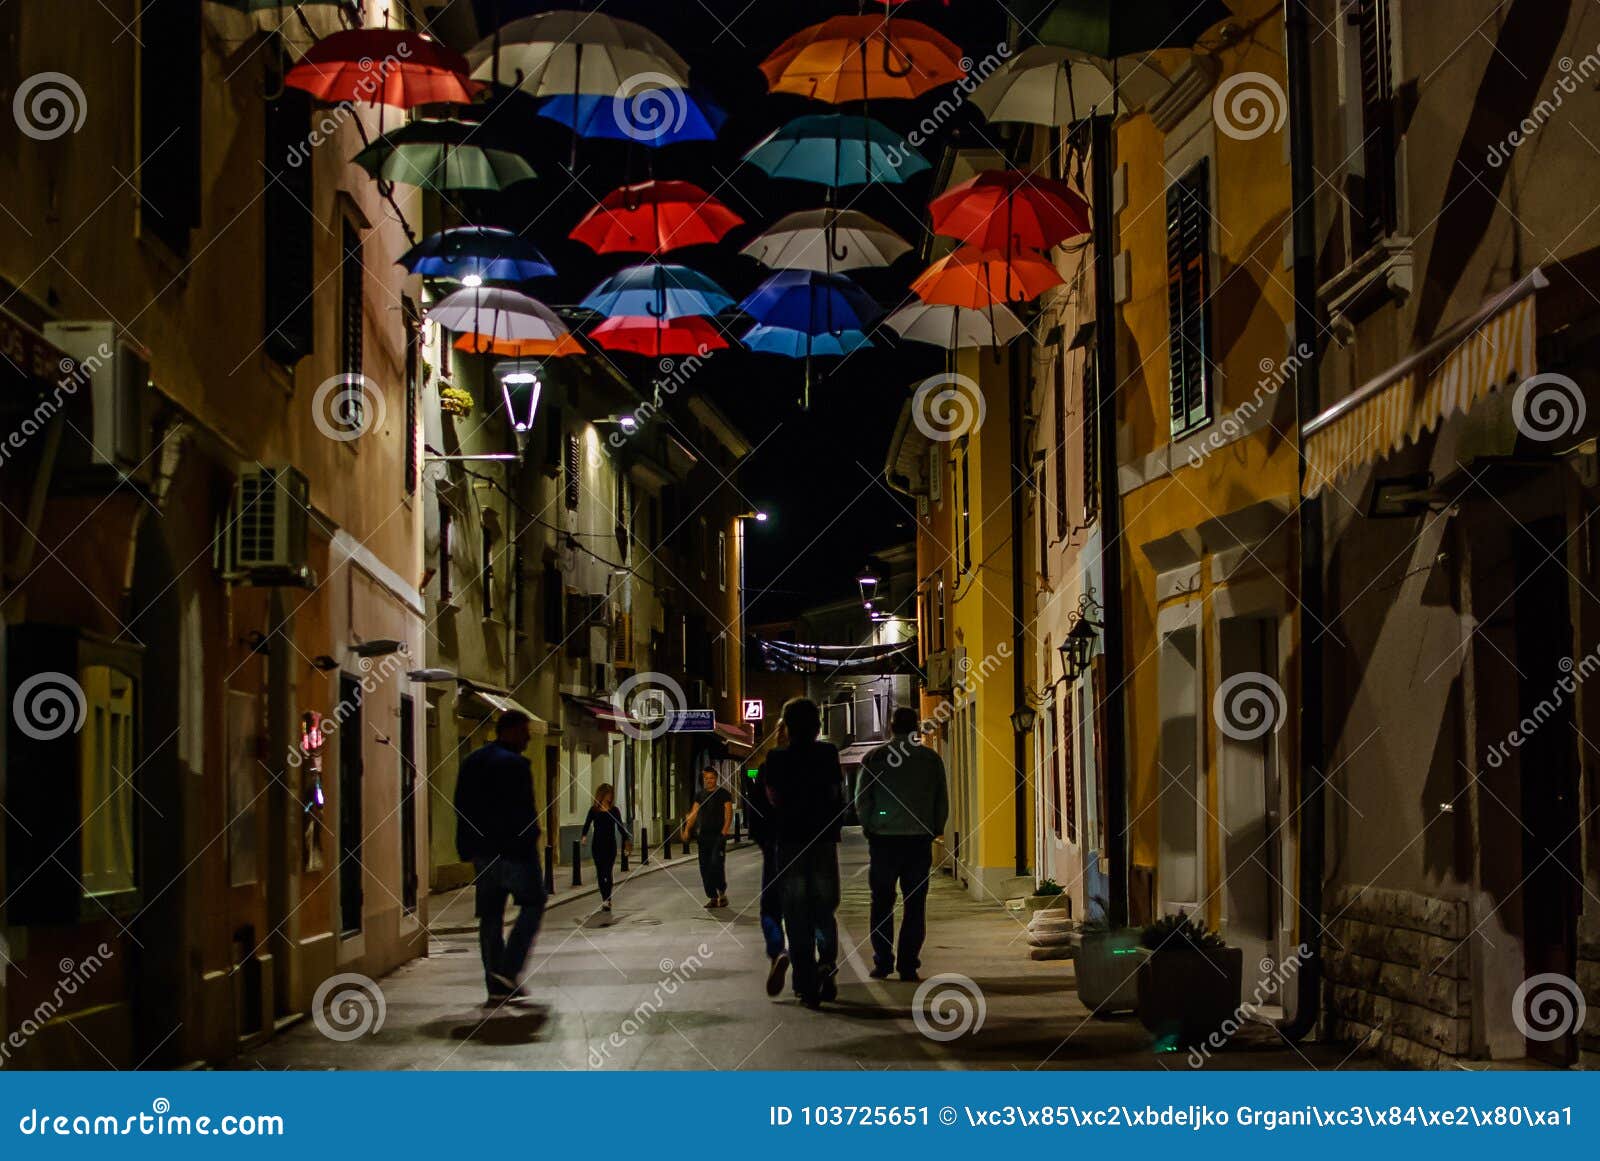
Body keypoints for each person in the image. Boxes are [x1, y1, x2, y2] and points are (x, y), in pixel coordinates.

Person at [454, 710, 545, 1003]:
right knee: (534, 902)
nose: (529, 737)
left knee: (491, 915)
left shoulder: (472, 762)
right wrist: (530, 843)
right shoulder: (515, 766)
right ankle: (508, 968)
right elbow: (523, 812)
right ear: (511, 730)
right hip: (513, 853)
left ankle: (495, 981)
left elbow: (461, 806)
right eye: (525, 731)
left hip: (483, 853)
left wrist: (467, 847)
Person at [856, 707, 949, 983]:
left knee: (882, 902)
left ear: (891, 728)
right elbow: (941, 800)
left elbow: (862, 800)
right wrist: (934, 829)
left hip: (884, 841)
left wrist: (871, 826)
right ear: (916, 729)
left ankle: (883, 961)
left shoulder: (875, 758)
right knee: (915, 903)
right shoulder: (930, 760)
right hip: (918, 841)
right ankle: (908, 964)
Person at [764, 697, 845, 1008]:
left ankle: (805, 980)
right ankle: (826, 965)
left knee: (796, 913)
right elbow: (836, 793)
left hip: (791, 841)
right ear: (817, 725)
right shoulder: (828, 753)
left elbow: (773, 798)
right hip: (823, 840)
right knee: (823, 908)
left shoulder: (776, 758)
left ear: (787, 725)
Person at [747, 723, 789, 996]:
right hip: (810, 846)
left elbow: (756, 811)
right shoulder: (817, 764)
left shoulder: (767, 769)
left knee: (770, 908)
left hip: (775, 845)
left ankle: (777, 949)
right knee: (813, 909)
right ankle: (822, 966)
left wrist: (763, 841)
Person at [682, 767, 732, 908]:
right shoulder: (700, 795)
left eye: (711, 778)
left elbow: (728, 813)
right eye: (706, 778)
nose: (709, 781)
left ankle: (722, 893)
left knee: (716, 864)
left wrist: (724, 831)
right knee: (705, 868)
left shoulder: (724, 794)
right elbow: (694, 813)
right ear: (703, 780)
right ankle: (712, 896)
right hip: (703, 837)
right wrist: (687, 829)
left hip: (718, 836)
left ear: (716, 778)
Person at [581, 783, 630, 912]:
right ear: (602, 795)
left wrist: (626, 839)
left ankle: (608, 899)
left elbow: (620, 826)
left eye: (611, 795)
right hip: (597, 845)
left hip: (610, 846)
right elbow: (587, 824)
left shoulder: (614, 810)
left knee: (608, 872)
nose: (610, 797)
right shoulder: (594, 810)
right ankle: (604, 898)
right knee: (600, 873)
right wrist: (584, 836)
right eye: (608, 794)